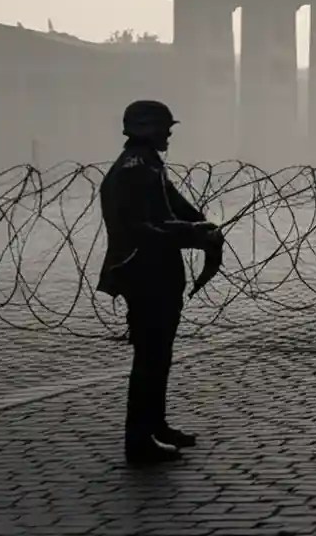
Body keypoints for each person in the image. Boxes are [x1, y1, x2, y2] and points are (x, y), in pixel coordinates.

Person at [96, 100, 224, 465]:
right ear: (146, 128)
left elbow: (175, 206)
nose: (169, 133)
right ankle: (139, 439)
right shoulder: (136, 168)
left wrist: (201, 224)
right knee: (150, 357)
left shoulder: (149, 164)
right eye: (164, 127)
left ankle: (155, 426)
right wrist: (193, 234)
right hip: (144, 272)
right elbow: (142, 227)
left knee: (160, 355)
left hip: (159, 271)